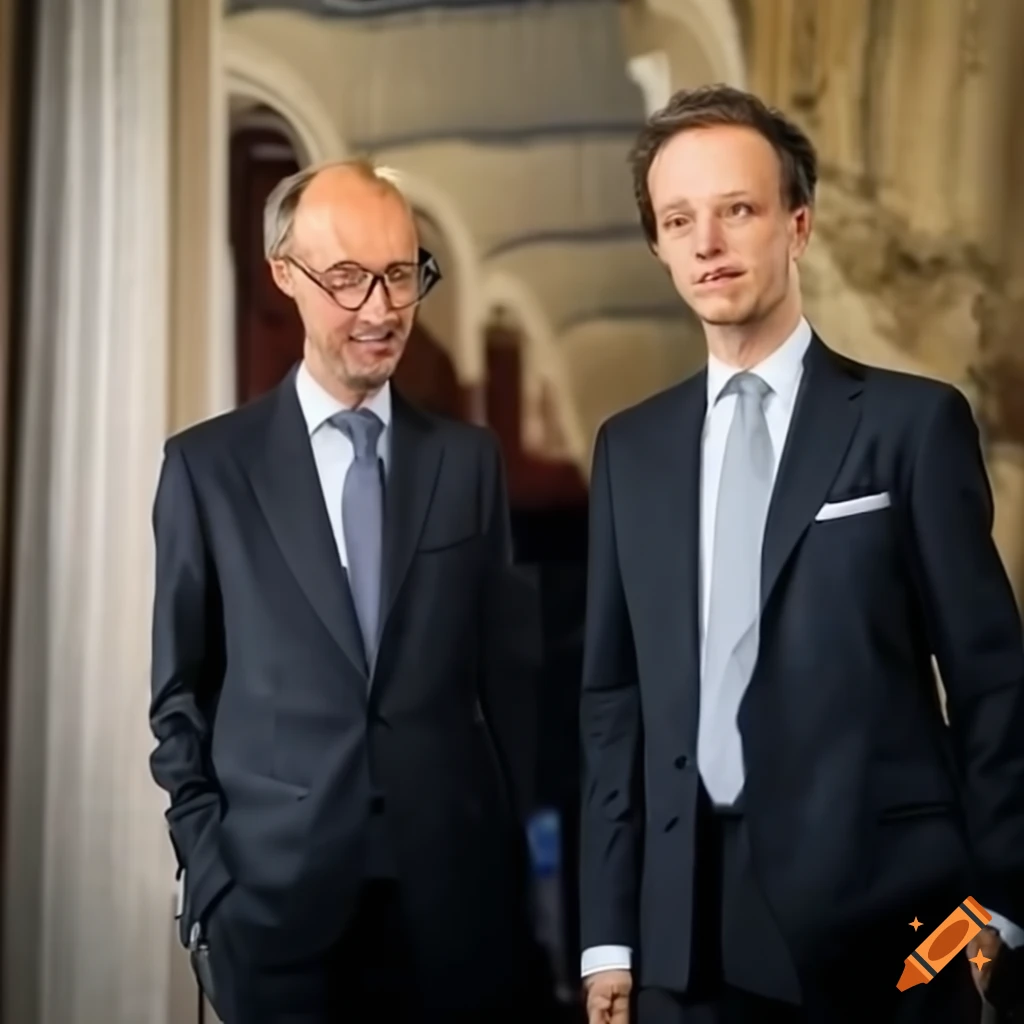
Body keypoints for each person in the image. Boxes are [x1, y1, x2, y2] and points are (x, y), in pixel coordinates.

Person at [578, 84, 1024, 1024]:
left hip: (892, 925)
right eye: (679, 219)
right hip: (680, 938)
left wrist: (1000, 904)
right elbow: (612, 705)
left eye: (736, 210)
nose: (708, 243)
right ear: (658, 245)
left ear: (798, 224)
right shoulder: (630, 450)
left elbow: (992, 681)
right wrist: (608, 937)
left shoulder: (913, 425)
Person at [149, 160, 541, 1024]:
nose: (381, 308)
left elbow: (511, 688)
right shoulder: (207, 470)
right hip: (274, 911)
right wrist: (212, 878)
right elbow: (179, 698)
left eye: (402, 275)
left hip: (457, 911)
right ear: (284, 274)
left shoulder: (468, 463)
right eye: (348, 278)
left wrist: (530, 879)